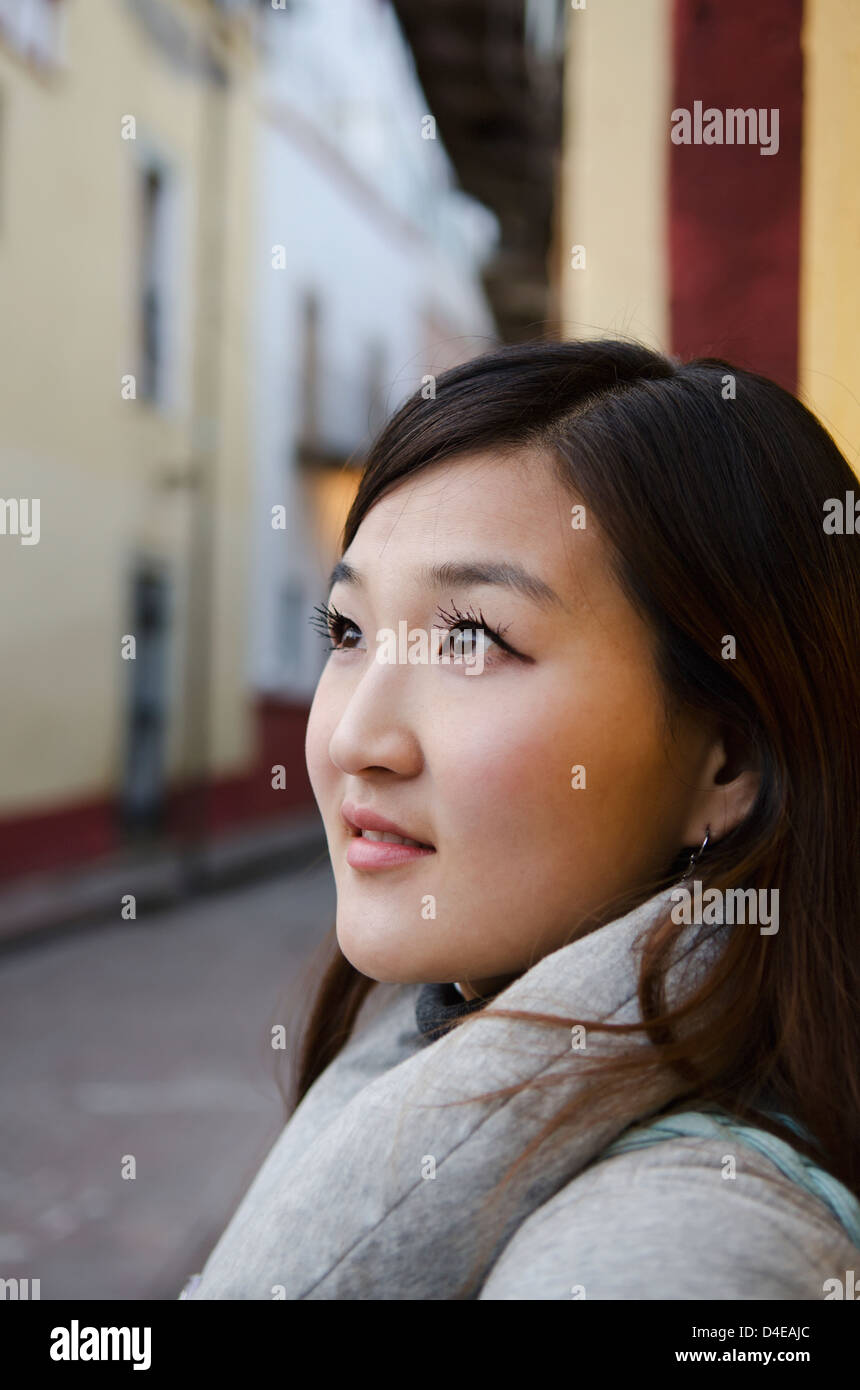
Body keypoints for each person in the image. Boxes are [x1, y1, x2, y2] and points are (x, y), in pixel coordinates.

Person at [180, 338, 860, 1300]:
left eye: (471, 641)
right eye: (346, 632)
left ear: (730, 759)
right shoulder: (432, 1051)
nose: (353, 740)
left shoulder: (676, 1249)